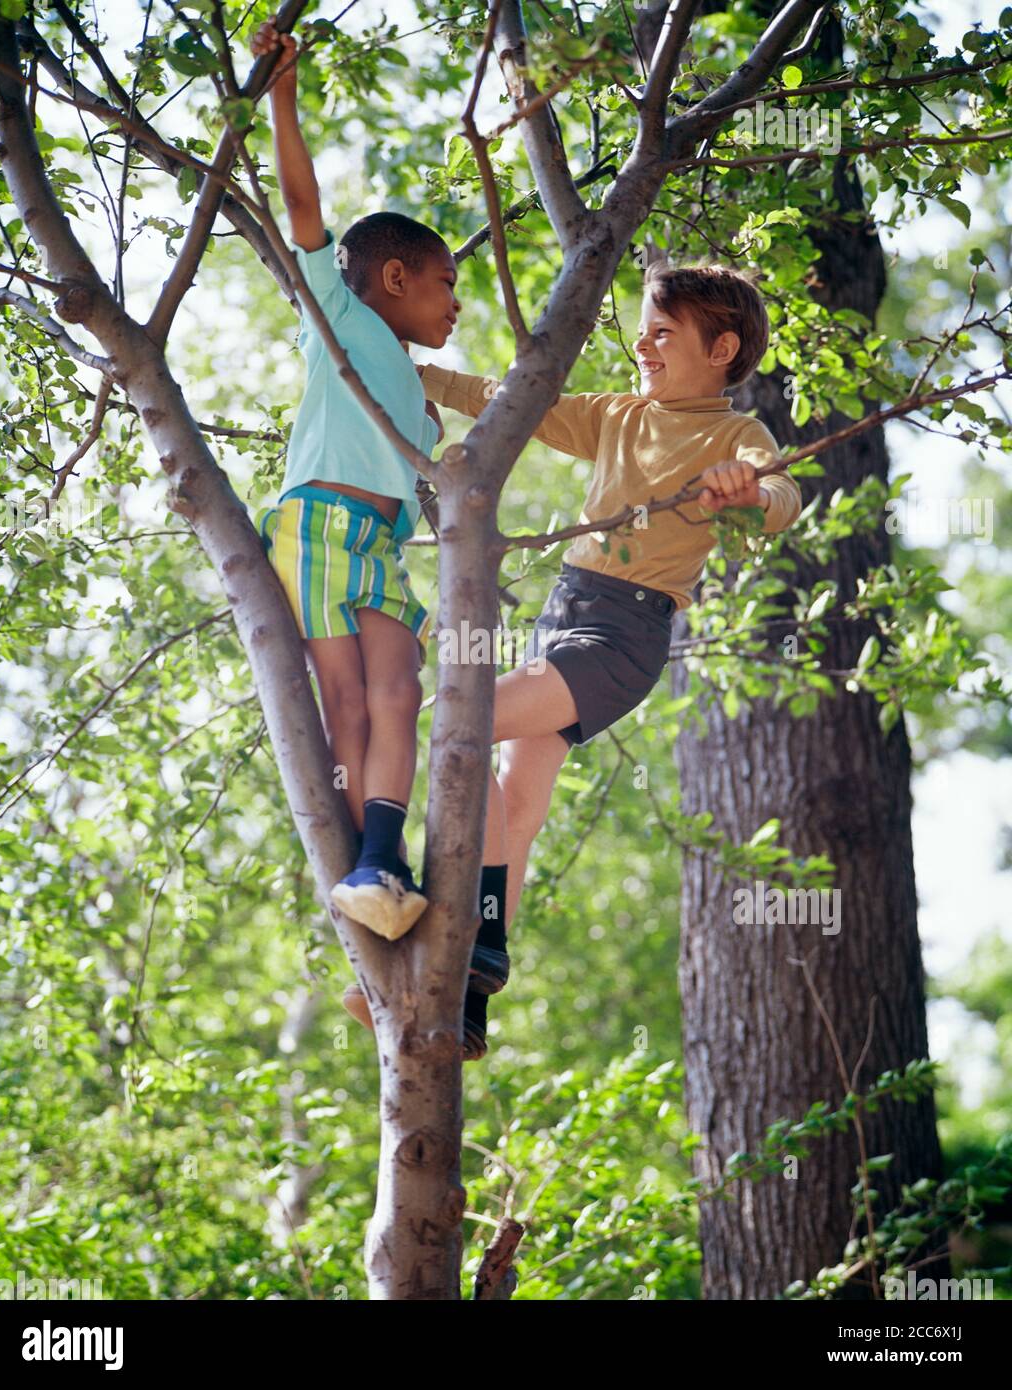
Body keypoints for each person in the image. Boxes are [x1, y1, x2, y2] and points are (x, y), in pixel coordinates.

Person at [344, 259, 804, 1057]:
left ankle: (434, 934)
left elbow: (782, 502)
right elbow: (511, 400)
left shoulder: (737, 436)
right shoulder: (618, 416)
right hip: (563, 616)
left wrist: (748, 492)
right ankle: (468, 1003)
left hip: (621, 637)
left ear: (721, 347)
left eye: (663, 332)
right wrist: (411, 371)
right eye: (642, 329)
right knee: (516, 806)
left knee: (457, 721)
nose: (642, 343)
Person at [249, 20, 463, 943]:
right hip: (316, 527)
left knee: (400, 689)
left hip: (381, 545)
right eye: (446, 284)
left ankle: (384, 854)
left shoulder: (419, 404)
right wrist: (282, 96)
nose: (456, 303)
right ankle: (357, 869)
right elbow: (304, 209)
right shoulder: (338, 312)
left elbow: (446, 476)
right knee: (344, 701)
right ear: (390, 275)